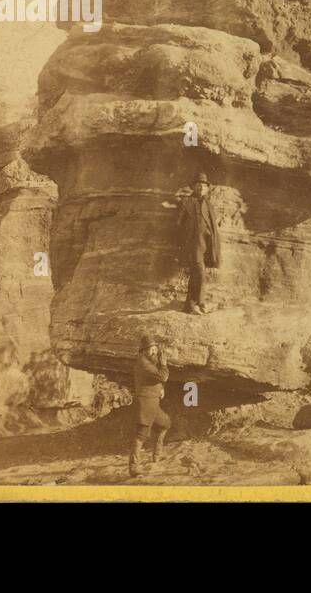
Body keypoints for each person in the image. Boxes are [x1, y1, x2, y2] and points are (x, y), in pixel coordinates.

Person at [166, 172, 221, 314]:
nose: (201, 188)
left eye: (204, 185)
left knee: (196, 274)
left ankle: (189, 305)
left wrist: (213, 244)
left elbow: (213, 225)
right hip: (192, 243)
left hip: (206, 244)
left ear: (207, 188)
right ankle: (201, 303)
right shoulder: (186, 202)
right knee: (200, 273)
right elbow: (178, 224)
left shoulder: (208, 204)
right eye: (199, 185)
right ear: (194, 187)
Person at [130, 334, 172, 477]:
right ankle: (134, 468)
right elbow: (162, 376)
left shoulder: (148, 361)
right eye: (150, 350)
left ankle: (157, 455)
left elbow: (156, 379)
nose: (154, 352)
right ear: (143, 351)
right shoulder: (143, 363)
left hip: (153, 401)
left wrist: (161, 388)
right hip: (146, 402)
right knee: (141, 434)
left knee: (165, 423)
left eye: (155, 349)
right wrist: (164, 364)